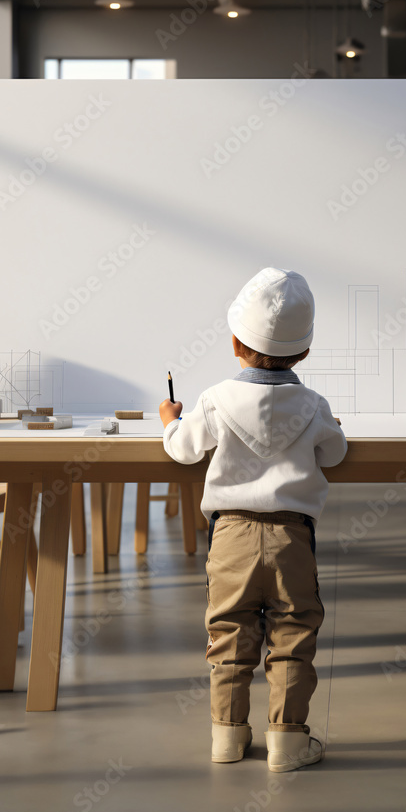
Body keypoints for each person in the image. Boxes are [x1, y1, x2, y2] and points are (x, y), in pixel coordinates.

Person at [160, 267, 347, 772]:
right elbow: (335, 453)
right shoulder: (312, 405)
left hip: (231, 535)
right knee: (292, 633)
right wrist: (332, 429)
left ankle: (227, 736)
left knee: (229, 634)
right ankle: (287, 741)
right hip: (291, 537)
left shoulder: (216, 400)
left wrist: (170, 420)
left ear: (236, 343)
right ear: (304, 352)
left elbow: (182, 449)